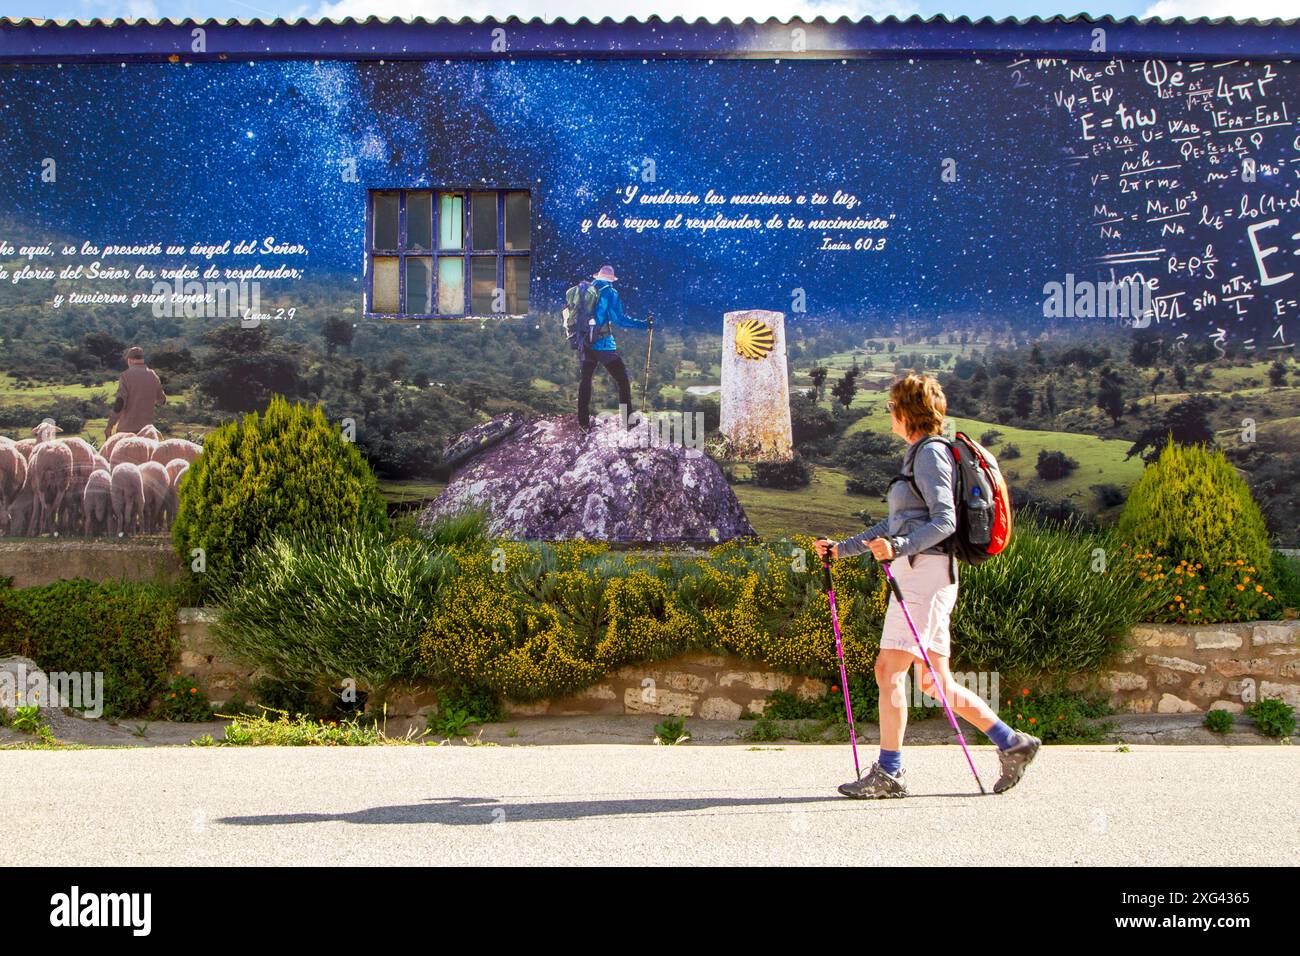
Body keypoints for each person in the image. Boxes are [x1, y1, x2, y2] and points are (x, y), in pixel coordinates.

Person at [814, 373, 1039, 798]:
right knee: (935, 683)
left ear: (904, 411)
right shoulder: (918, 454)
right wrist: (841, 549)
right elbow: (897, 524)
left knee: (888, 670)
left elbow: (945, 521)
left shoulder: (929, 454)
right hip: (924, 574)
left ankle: (890, 772)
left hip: (925, 575)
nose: (888, 415)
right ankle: (1014, 743)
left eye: (891, 407)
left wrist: (898, 545)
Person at [571, 265, 652, 430]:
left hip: (584, 342)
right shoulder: (610, 292)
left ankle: (583, 422)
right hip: (603, 344)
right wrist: (644, 325)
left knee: (585, 380)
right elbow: (619, 320)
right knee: (622, 380)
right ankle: (628, 421)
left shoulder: (585, 290)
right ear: (611, 279)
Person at [105, 346, 166, 439]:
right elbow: (162, 400)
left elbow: (120, 403)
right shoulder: (153, 375)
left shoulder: (125, 376)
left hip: (127, 430)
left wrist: (110, 425)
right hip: (147, 432)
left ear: (129, 360)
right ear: (142, 360)